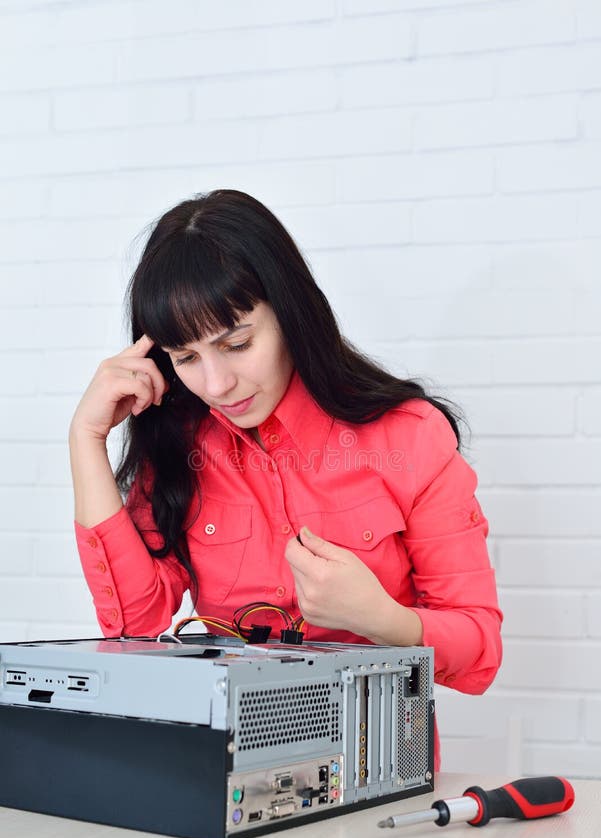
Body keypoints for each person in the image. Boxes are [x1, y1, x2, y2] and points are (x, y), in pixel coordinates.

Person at [69, 189, 502, 770]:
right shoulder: (178, 448)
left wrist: (379, 618)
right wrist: (86, 440)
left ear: (289, 311)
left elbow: (480, 646)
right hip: (225, 773)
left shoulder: (410, 437)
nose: (217, 384)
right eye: (186, 357)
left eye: (238, 344)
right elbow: (132, 627)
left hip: (376, 769)